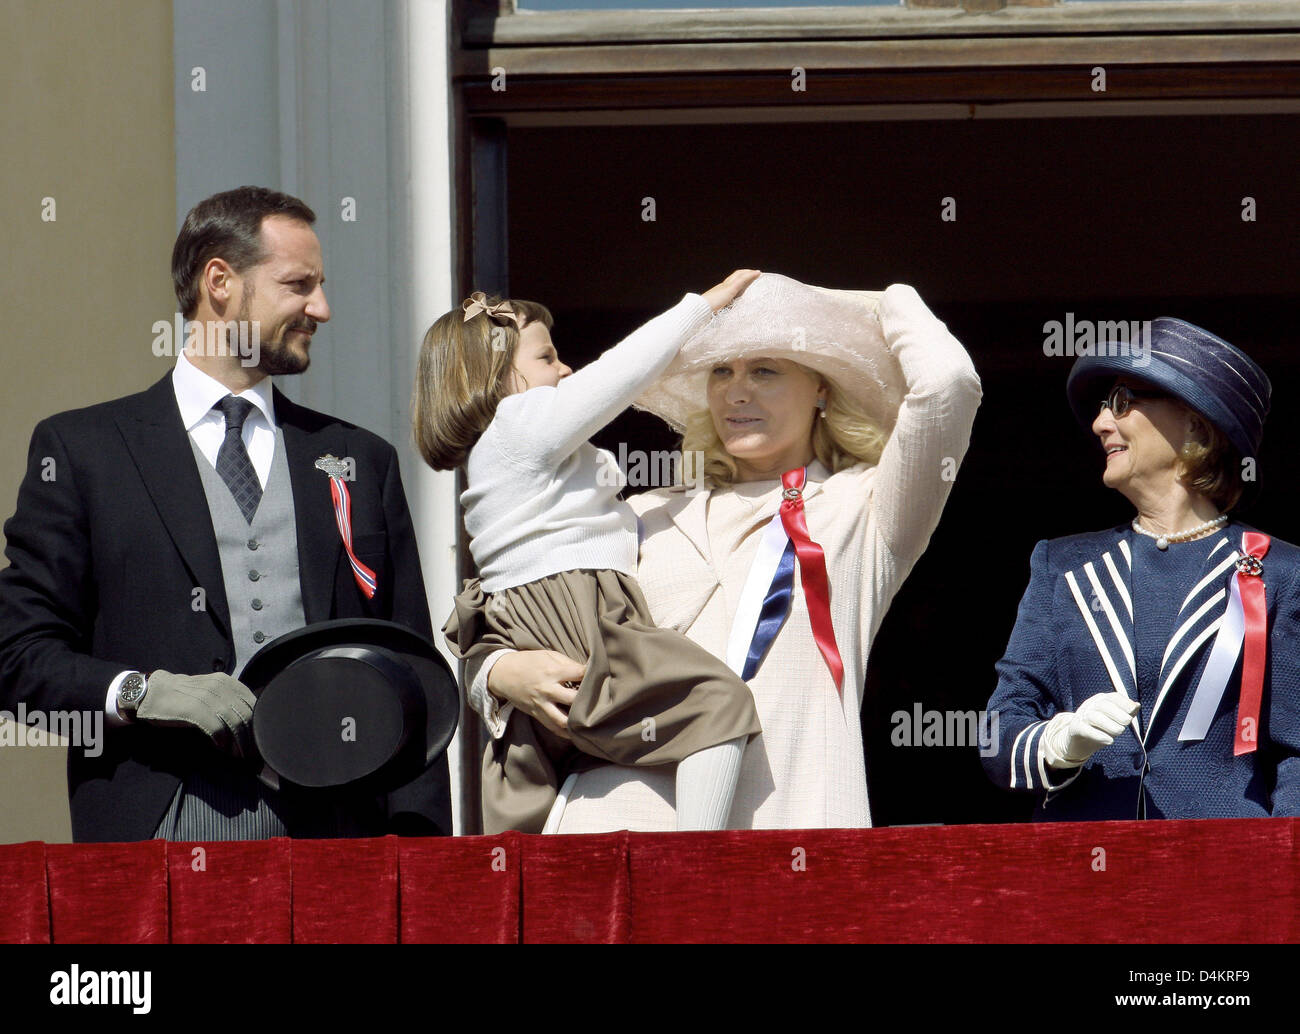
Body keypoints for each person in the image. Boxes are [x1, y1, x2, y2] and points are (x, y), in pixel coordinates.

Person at [0, 186, 450, 841]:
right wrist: (142, 693)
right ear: (220, 281)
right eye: (298, 285)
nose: (320, 309)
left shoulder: (358, 459)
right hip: (163, 825)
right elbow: (18, 655)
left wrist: (420, 850)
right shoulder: (84, 451)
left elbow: (410, 670)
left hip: (343, 834)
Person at [465, 275, 982, 831]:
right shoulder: (636, 514)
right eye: (721, 371)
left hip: (794, 827)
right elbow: (504, 609)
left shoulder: (868, 506)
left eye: (765, 370)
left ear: (822, 388)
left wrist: (870, 304)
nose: (737, 392)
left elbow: (947, 384)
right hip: (611, 826)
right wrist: (497, 672)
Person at [415, 272, 764, 833]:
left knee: (544, 780)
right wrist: (700, 307)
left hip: (532, 620)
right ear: (498, 379)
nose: (566, 371)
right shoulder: (517, 426)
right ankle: (697, 861)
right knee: (718, 703)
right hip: (575, 609)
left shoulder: (511, 457)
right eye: (548, 358)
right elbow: (619, 374)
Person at [983, 318, 1300, 819]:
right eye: (1103, 408)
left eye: (1123, 402)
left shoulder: (1278, 570)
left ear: (1197, 424)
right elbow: (999, 729)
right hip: (1088, 868)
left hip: (1225, 876)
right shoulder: (1060, 566)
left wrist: (1278, 874)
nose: (1100, 424)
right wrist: (1058, 741)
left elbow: (1295, 753)